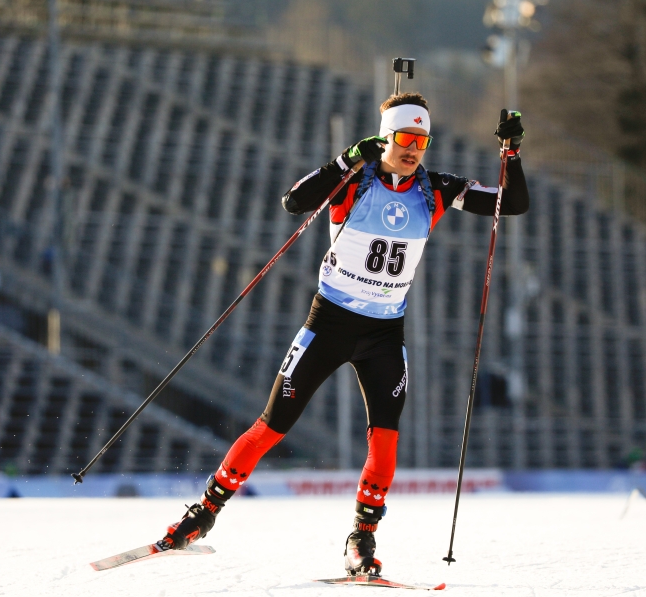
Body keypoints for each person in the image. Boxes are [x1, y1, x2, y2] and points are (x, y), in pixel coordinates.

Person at [157, 92, 530, 576]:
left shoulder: (437, 189)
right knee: (272, 425)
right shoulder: (355, 181)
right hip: (329, 323)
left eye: (423, 140)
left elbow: (511, 204)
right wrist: (346, 159)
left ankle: (363, 539)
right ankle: (203, 514)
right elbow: (295, 201)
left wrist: (511, 154)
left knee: (385, 439)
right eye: (405, 139)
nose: (414, 149)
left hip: (384, 334)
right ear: (387, 138)